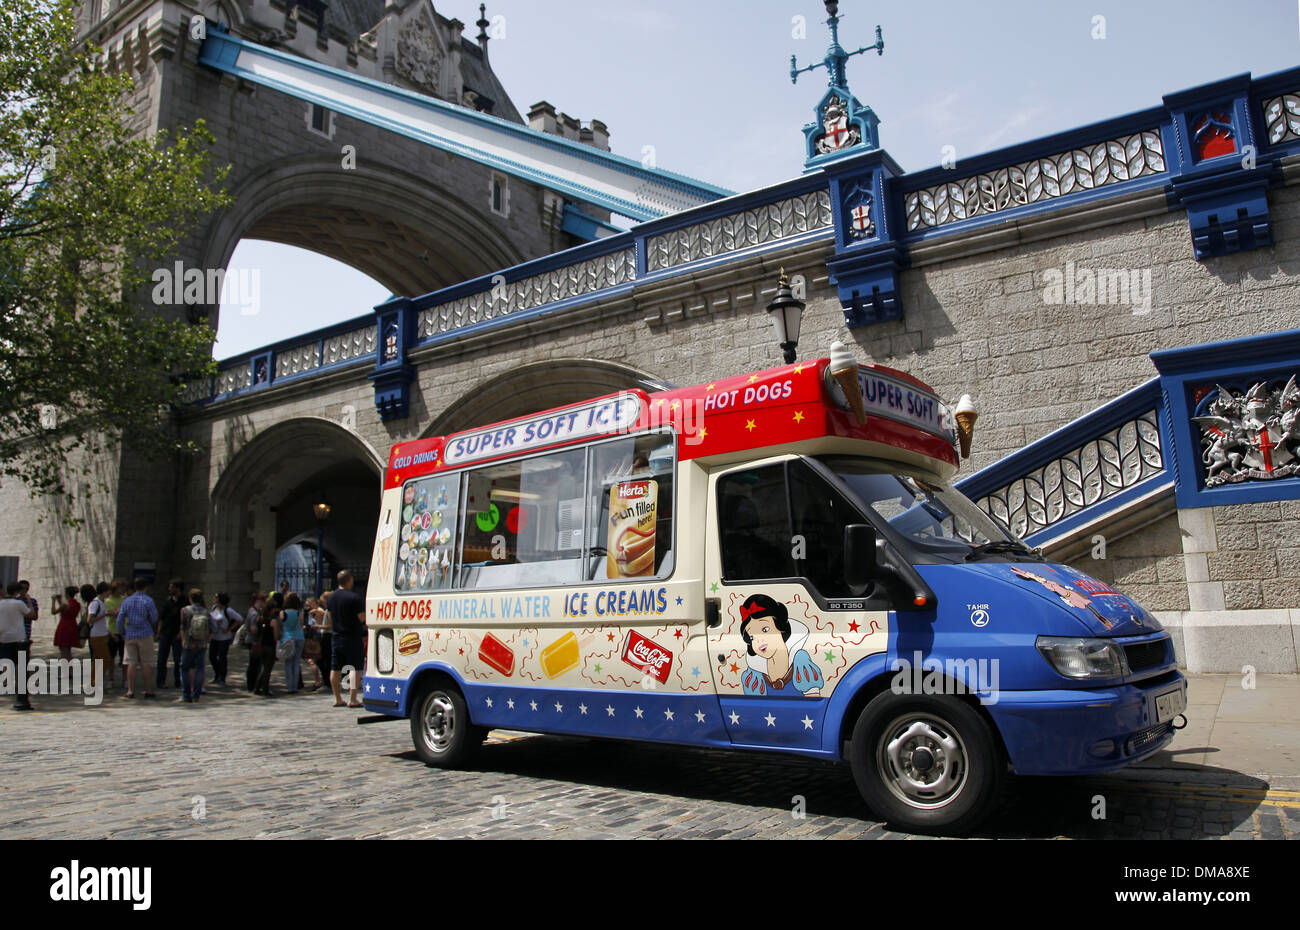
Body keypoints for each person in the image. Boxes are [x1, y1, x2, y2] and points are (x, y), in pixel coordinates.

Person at [328, 571, 366, 708]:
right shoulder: (354, 598)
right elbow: (362, 618)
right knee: (354, 667)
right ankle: (353, 698)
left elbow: (331, 617)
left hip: (336, 635)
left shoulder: (331, 597)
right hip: (352, 636)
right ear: (349, 580)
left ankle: (337, 698)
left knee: (335, 667)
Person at [119, 577, 159, 699]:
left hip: (130, 633)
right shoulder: (148, 601)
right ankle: (147, 690)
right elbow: (154, 617)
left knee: (131, 662)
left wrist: (122, 632)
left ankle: (130, 690)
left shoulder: (127, 601)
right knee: (146, 662)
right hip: (145, 633)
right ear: (145, 587)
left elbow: (120, 618)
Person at [0, 582, 36, 710]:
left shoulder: (1, 603)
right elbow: (31, 615)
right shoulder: (19, 603)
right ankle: (20, 693)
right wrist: (28, 600)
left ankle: (5, 686)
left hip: (4, 638)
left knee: (5, 664)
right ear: (18, 591)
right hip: (19, 639)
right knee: (19, 667)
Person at [179, 589, 210, 703]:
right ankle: (196, 695)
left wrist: (183, 640)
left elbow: (182, 627)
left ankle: (186, 695)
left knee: (184, 668)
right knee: (200, 669)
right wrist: (206, 641)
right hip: (201, 644)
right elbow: (208, 629)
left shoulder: (185, 610)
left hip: (189, 642)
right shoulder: (205, 611)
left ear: (190, 598)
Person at [155, 579, 185, 690]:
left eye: (172, 587)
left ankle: (179, 681)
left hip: (178, 634)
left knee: (178, 659)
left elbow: (185, 620)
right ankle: (160, 681)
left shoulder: (185, 601)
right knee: (161, 659)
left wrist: (182, 633)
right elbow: (161, 618)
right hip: (165, 633)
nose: (169, 589)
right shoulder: (168, 601)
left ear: (178, 589)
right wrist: (158, 633)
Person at [275, 593, 306, 694]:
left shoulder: (283, 613)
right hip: (299, 637)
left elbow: (281, 624)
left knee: (288, 662)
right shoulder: (299, 612)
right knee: (296, 662)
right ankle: (295, 686)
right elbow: (301, 624)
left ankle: (290, 686)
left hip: (287, 638)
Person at [85, 582, 113, 690]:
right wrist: (105, 615)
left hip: (102, 634)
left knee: (98, 660)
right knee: (105, 659)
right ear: (105, 591)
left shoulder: (102, 602)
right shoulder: (95, 603)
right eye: (109, 590)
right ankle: (95, 683)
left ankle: (93, 683)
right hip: (96, 636)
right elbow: (90, 620)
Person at [208, 593, 240, 686]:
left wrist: (228, 629)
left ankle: (222, 677)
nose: (214, 598)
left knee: (222, 657)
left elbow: (239, 619)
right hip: (214, 637)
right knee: (212, 656)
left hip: (224, 638)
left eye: (216, 597)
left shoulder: (228, 610)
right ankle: (216, 674)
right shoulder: (214, 608)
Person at [254, 594, 279, 696]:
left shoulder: (260, 619)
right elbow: (276, 636)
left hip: (261, 645)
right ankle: (265, 689)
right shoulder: (273, 621)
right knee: (268, 669)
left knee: (263, 667)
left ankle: (257, 687)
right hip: (270, 646)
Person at [243, 593, 267, 693]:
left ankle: (251, 684)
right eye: (263, 601)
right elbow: (253, 629)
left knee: (254, 663)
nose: (264, 603)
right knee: (255, 664)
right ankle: (252, 684)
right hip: (254, 641)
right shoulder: (254, 614)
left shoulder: (252, 611)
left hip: (252, 640)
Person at [104, 579, 126, 682]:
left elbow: (124, 612)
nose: (122, 589)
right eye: (120, 587)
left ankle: (125, 680)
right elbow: (113, 614)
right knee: (111, 657)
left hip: (124, 631)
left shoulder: (124, 599)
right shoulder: (108, 600)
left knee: (125, 658)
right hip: (113, 631)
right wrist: (120, 611)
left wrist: (118, 611)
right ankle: (111, 678)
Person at [303, 596, 326, 691]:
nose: (308, 607)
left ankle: (318, 681)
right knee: (315, 660)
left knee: (313, 660)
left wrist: (315, 612)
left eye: (309, 605)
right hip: (313, 636)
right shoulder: (312, 612)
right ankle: (319, 680)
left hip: (317, 637)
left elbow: (323, 614)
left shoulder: (319, 611)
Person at [52, 586, 81, 660]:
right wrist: (60, 601)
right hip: (72, 625)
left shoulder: (65, 605)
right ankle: (70, 670)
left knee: (63, 651)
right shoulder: (77, 604)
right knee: (68, 650)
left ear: (67, 594)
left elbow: (54, 612)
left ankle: (65, 669)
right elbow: (66, 610)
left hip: (64, 626)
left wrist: (53, 601)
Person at [17, 580, 38, 657]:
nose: (24, 590)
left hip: (26, 632)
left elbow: (34, 616)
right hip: (14, 633)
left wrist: (28, 601)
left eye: (26, 589)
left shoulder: (32, 601)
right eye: (22, 588)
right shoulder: (15, 601)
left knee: (23, 658)